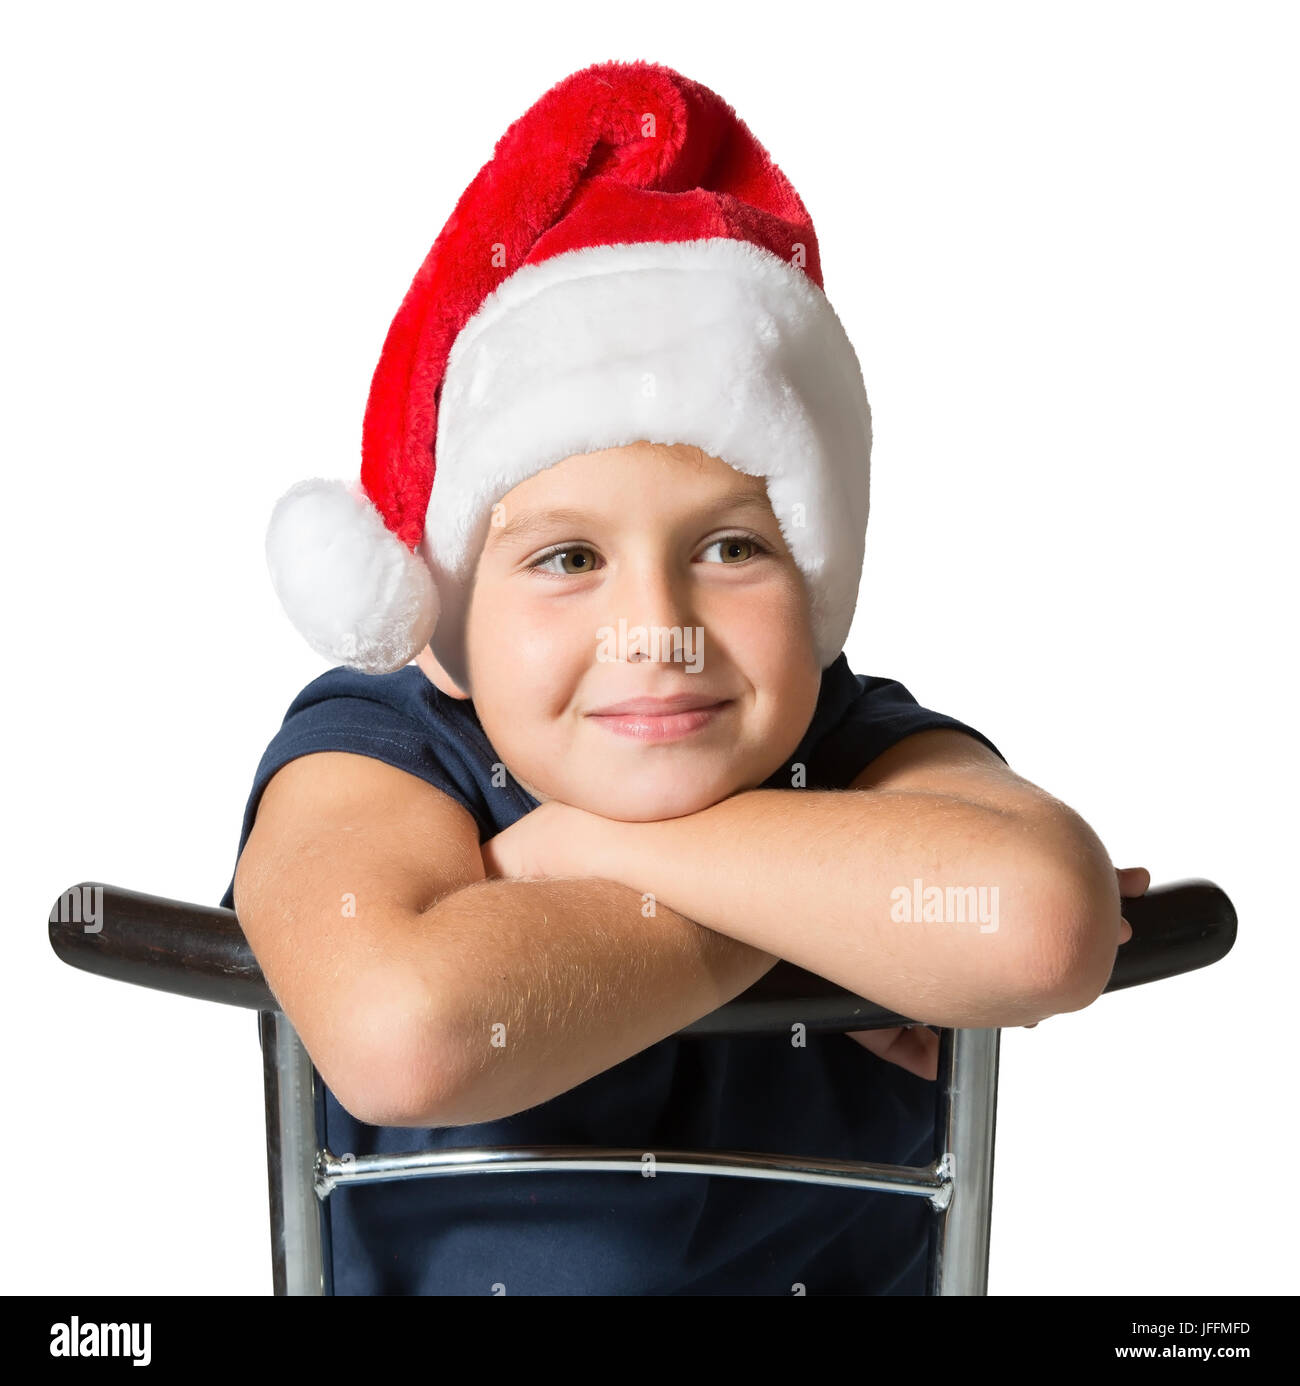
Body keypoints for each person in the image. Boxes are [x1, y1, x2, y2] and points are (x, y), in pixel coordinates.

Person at [222, 60, 1137, 1295]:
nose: (656, 630)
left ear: (815, 579)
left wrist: (582, 852)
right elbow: (406, 1034)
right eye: (566, 557)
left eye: (729, 547)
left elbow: (1031, 922)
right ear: (445, 608)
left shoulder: (853, 739)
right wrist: (822, 913)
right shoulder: (388, 745)